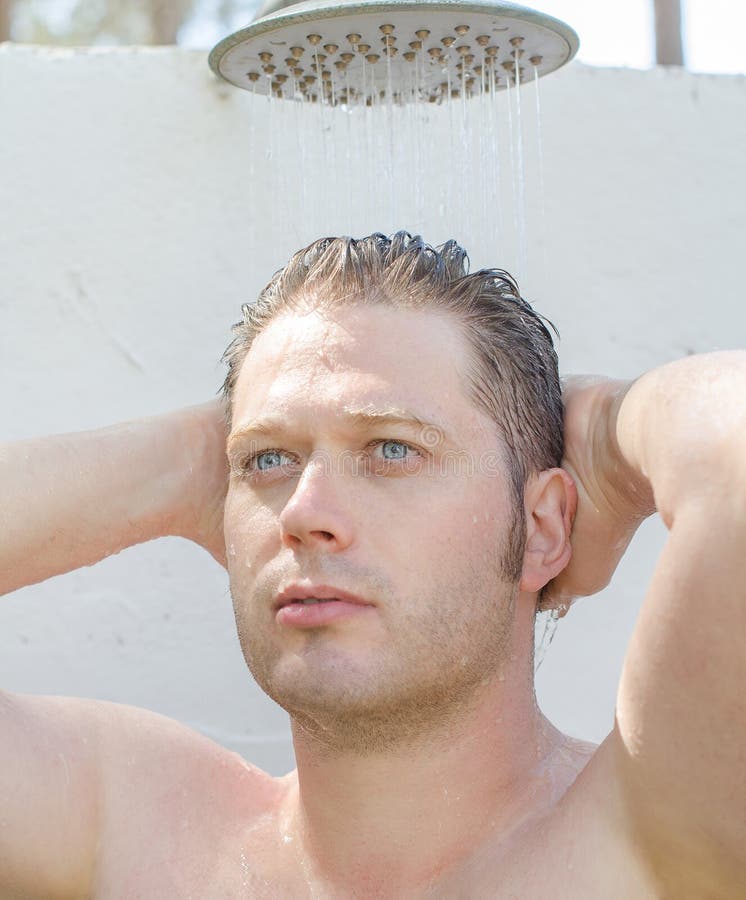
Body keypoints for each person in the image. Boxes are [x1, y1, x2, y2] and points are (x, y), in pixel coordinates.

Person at [1, 231, 744, 898]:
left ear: (544, 526)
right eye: (268, 461)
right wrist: (184, 463)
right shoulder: (134, 832)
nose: (302, 512)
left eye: (392, 449)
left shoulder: (647, 831)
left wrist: (612, 444)